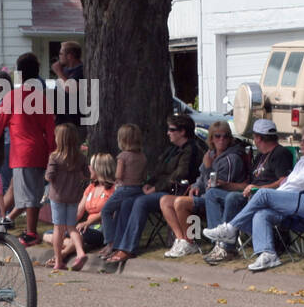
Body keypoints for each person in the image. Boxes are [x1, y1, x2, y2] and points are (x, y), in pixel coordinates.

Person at [203, 123, 304, 272]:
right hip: (299, 200)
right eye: (301, 139)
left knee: (262, 193)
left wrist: (274, 194)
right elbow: (288, 182)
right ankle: (268, 254)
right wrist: (278, 192)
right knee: (262, 214)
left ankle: (230, 228)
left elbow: (296, 184)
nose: (301, 143)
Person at [102, 112, 203, 271]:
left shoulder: (190, 150)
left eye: (171, 129)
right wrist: (148, 184)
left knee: (140, 202)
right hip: (160, 189)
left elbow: (181, 174)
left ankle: (128, 248)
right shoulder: (172, 150)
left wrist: (156, 188)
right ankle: (118, 244)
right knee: (127, 202)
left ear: (182, 131)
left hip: (176, 192)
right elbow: (158, 172)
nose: (168, 133)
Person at [0, 52, 56, 246]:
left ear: (20, 75)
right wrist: (52, 152)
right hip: (39, 151)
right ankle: (5, 222)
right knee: (28, 192)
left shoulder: (13, 97)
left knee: (29, 196)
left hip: (22, 153)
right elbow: (50, 130)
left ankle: (31, 233)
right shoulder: (42, 98)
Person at [204, 118, 294, 265]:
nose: (254, 140)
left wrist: (259, 189)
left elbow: (284, 182)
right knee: (212, 193)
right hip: (249, 195)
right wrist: (225, 184)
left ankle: (227, 247)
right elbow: (247, 185)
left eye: (254, 136)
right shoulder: (260, 156)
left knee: (233, 198)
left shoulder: (280, 153)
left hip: (265, 198)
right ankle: (218, 243)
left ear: (258, 137)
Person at [162, 120, 248, 258]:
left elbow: (215, 186)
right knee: (165, 201)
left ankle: (192, 242)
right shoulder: (210, 154)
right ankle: (182, 239)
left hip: (221, 199)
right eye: (217, 136)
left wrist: (208, 167)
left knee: (181, 203)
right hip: (205, 196)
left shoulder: (232, 158)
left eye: (225, 136)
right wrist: (196, 186)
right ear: (211, 139)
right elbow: (202, 179)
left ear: (230, 138)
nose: (221, 139)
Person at [56, 153, 115, 271]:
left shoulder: (112, 189)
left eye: (91, 165)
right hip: (84, 229)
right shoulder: (90, 188)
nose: (88, 168)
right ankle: (77, 247)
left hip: (100, 229)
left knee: (78, 236)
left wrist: (86, 223)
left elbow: (107, 212)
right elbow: (78, 211)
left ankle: (61, 255)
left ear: (99, 168)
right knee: (51, 234)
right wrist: (66, 225)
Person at [99, 124, 147, 258]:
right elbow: (143, 175)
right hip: (137, 188)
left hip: (125, 188)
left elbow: (119, 175)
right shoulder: (142, 156)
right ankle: (118, 242)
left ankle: (110, 241)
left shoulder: (123, 156)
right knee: (120, 211)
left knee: (106, 211)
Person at [45, 123, 88, 270]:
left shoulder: (55, 157)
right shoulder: (80, 158)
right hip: (74, 196)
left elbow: (49, 176)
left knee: (58, 228)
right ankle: (80, 252)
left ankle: (58, 261)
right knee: (71, 227)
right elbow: (86, 175)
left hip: (57, 196)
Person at [50, 40, 84, 133]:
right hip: (61, 122)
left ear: (69, 56)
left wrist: (59, 72)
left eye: (61, 54)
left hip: (75, 123)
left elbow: (72, 89)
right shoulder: (64, 70)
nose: (59, 57)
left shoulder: (81, 70)